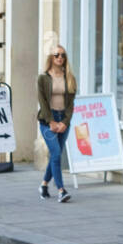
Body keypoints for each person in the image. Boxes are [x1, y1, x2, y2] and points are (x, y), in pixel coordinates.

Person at [37, 44, 76, 203]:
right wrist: (51, 121)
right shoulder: (43, 78)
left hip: (63, 119)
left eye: (63, 55)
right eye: (57, 55)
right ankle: (61, 190)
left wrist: (65, 122)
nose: (60, 58)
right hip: (48, 120)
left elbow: (71, 104)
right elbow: (43, 102)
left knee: (56, 154)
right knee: (56, 153)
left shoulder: (70, 78)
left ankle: (44, 185)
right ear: (51, 58)